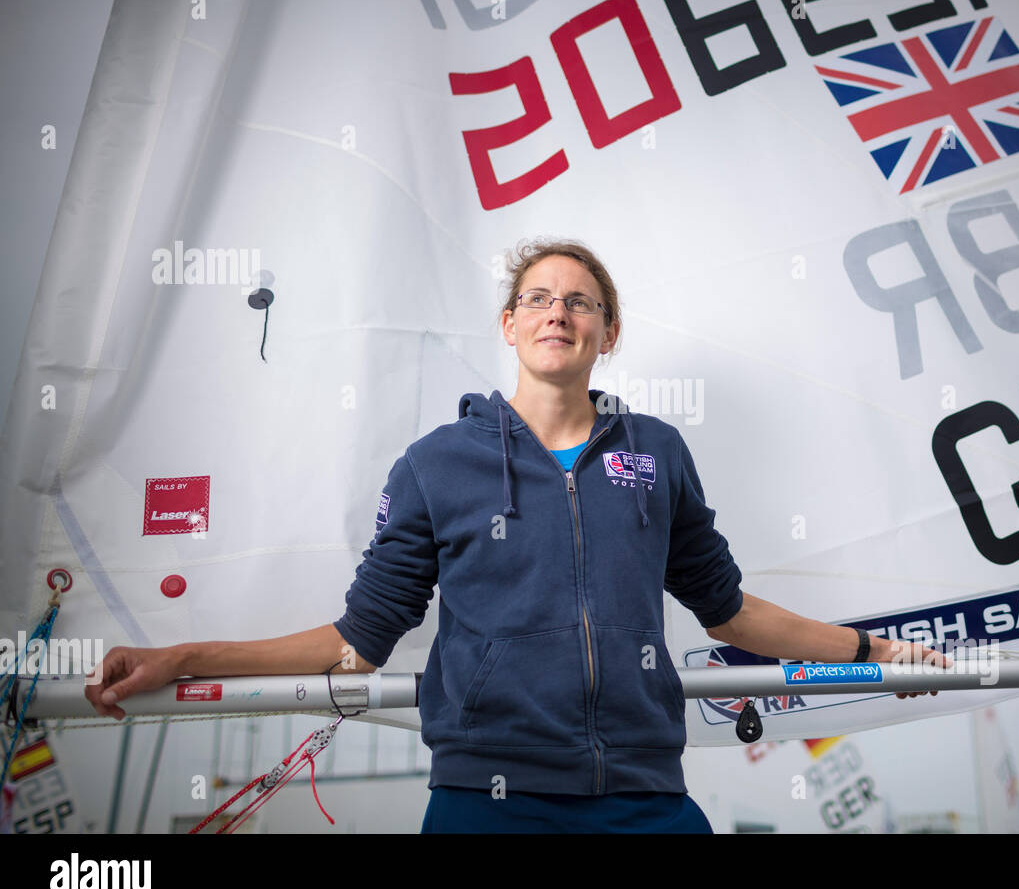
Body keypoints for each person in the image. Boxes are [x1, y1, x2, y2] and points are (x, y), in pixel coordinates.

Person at [85, 238, 947, 833]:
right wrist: (185, 657)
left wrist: (875, 651)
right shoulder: (436, 465)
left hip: (644, 794)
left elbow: (728, 615)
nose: (558, 311)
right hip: (486, 799)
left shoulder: (659, 451)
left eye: (581, 302)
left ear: (608, 333)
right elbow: (356, 647)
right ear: (509, 325)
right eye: (538, 297)